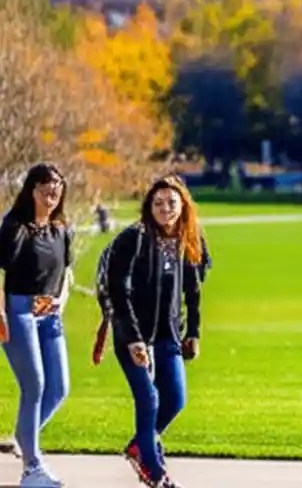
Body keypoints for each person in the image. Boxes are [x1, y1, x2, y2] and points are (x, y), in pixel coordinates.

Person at [104, 176, 210, 488]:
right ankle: (153, 468)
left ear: (183, 206)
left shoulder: (188, 240)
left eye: (172, 203)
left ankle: (140, 445)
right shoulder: (133, 240)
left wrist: (194, 331)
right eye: (159, 203)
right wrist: (134, 338)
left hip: (169, 336)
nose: (166, 209)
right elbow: (117, 290)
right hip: (134, 334)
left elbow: (193, 289)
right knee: (148, 399)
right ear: (149, 206)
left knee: (175, 399)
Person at [0, 163, 74, 488]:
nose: (51, 191)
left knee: (58, 387)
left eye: (56, 186)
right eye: (45, 185)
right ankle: (32, 467)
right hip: (18, 311)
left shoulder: (61, 229)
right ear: (31, 189)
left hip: (50, 313)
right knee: (35, 385)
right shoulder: (15, 226)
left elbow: (67, 274)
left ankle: (22, 436)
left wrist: (63, 300)